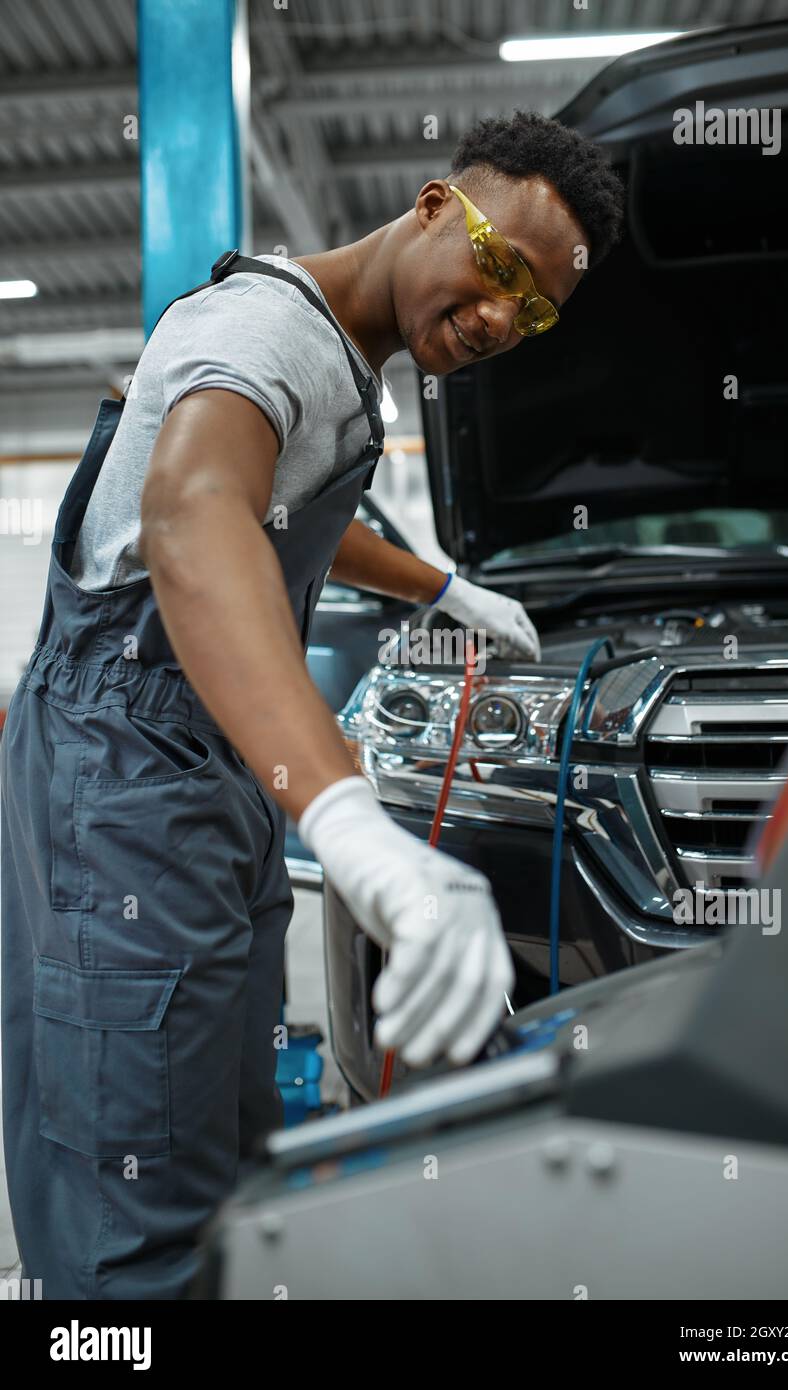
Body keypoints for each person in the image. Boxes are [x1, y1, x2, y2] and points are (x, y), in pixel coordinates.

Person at [0, 112, 624, 1299]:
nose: (501, 320)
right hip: (126, 770)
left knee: (225, 1145)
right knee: (134, 1201)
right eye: (500, 268)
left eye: (532, 310)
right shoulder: (269, 331)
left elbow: (281, 519)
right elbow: (196, 519)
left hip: (208, 770)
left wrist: (440, 583)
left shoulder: (345, 360)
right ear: (437, 204)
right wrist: (344, 819)